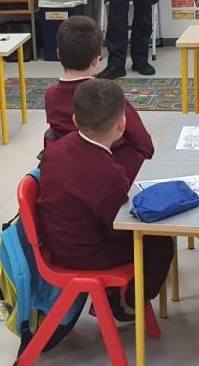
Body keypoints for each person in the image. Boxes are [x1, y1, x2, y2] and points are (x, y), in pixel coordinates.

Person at [37, 78, 175, 320]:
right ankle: (128, 304)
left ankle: (119, 297)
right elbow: (119, 227)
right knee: (160, 244)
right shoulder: (108, 173)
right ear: (122, 124)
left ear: (75, 120)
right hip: (84, 253)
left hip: (55, 240)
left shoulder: (56, 147)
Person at [43, 16, 153, 184]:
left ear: (58, 54)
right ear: (97, 60)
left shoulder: (51, 96)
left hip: (74, 176)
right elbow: (145, 144)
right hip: (121, 177)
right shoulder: (107, 94)